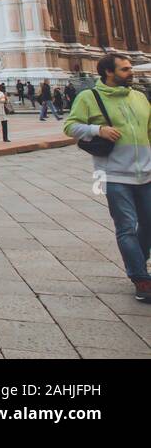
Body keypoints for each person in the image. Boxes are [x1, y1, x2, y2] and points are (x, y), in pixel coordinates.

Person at [65, 53, 151, 302]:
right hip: (113, 174)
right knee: (126, 227)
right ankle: (140, 278)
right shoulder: (88, 97)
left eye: (130, 68)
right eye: (125, 69)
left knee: (148, 224)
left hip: (145, 172)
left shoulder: (139, 97)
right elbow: (70, 126)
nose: (131, 73)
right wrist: (97, 129)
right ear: (108, 73)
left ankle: (137, 261)